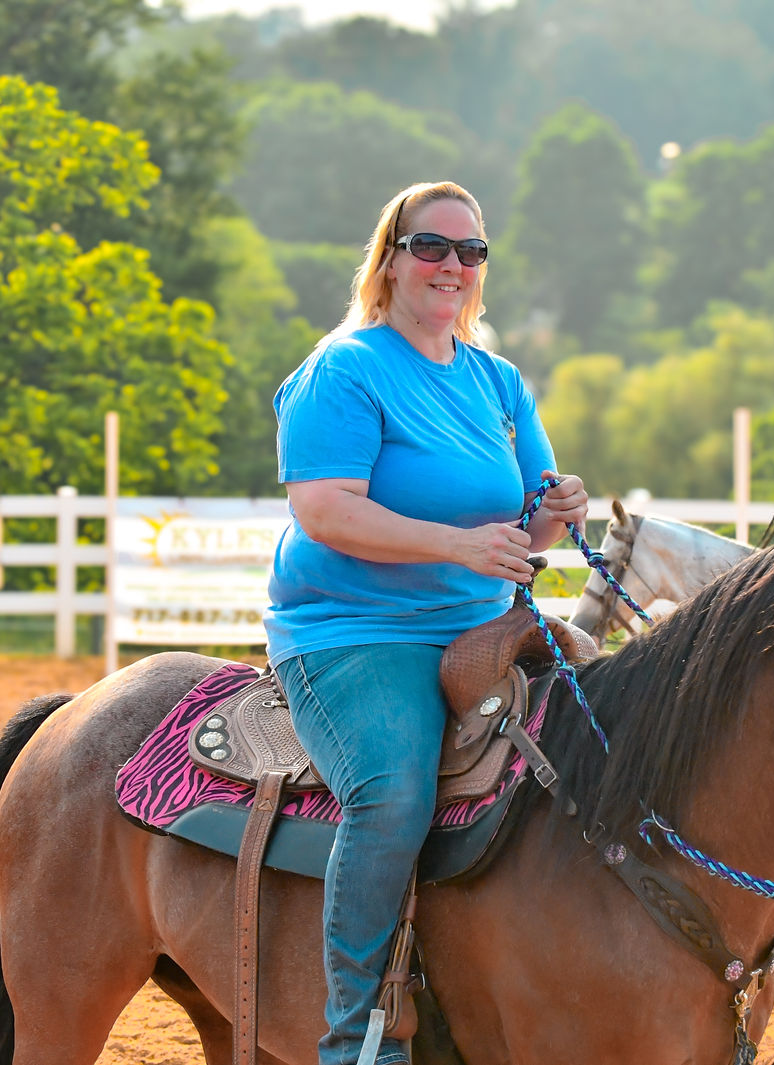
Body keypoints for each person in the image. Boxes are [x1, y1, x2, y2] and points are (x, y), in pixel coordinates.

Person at [265, 180, 588, 1065]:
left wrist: (557, 512)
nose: (452, 266)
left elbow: (523, 529)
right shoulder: (346, 368)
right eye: (432, 247)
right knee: (394, 793)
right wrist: (457, 546)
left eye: (470, 253)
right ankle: (357, 1035)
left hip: (483, 624)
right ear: (392, 256)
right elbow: (325, 511)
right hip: (356, 630)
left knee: (612, 736)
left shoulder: (497, 380)